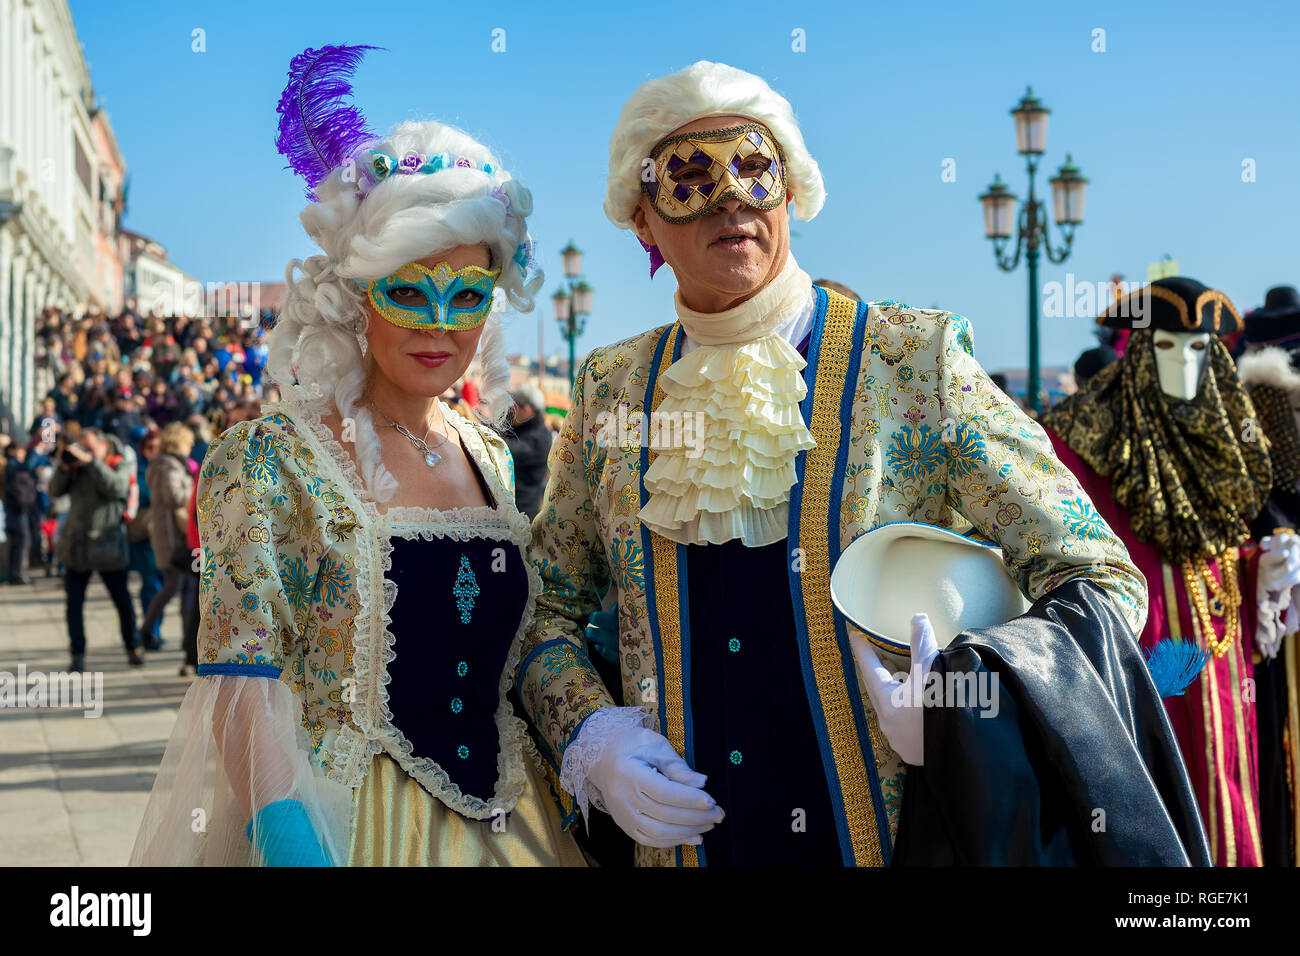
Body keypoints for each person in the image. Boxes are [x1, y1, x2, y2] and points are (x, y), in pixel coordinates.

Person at [519, 61, 1203, 866]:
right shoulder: (610, 390)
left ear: (790, 188)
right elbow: (543, 610)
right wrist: (591, 736)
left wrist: (969, 706)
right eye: (689, 178)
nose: (731, 198)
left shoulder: (912, 357)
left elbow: (1099, 577)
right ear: (643, 221)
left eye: (753, 168)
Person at [131, 44, 581, 866]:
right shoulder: (266, 460)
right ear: (355, 294)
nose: (439, 324)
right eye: (408, 291)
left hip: (516, 827)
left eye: (467, 295)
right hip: (350, 828)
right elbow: (242, 674)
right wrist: (286, 828)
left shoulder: (489, 450)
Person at [1042, 276, 1300, 867]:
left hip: (1221, 666)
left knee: (1226, 803)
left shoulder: (1220, 435)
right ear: (1137, 347)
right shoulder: (1081, 440)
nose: (1184, 363)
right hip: (1135, 665)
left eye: (1197, 348)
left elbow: (1213, 555)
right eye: (1166, 345)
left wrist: (1263, 565)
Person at [50, 426, 140, 672]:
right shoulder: (77, 468)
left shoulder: (118, 461)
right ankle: (77, 653)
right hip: (78, 546)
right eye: (82, 448)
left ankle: (133, 646)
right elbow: (53, 491)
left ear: (102, 445)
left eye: (89, 448)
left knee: (122, 600)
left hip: (107, 544)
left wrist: (91, 462)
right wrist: (64, 468)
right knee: (74, 604)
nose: (83, 453)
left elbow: (116, 488)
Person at [138, 423, 197, 647]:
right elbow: (173, 496)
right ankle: (149, 629)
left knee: (179, 587)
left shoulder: (170, 464)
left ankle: (183, 639)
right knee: (178, 587)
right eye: (188, 442)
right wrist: (194, 492)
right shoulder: (168, 465)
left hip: (174, 535)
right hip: (172, 537)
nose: (191, 446)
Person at [504, 383, 552, 520]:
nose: (510, 411)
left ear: (526, 410)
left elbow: (506, 451)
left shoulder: (539, 439)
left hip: (521, 513)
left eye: (513, 406)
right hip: (513, 507)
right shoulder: (526, 430)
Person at [3, 443, 37, 585]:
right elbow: (16, 489)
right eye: (20, 450)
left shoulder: (12, 465)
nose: (22, 454)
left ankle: (15, 573)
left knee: (19, 542)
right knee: (21, 541)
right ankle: (17, 574)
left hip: (18, 509)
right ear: (12, 451)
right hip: (17, 510)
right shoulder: (13, 465)